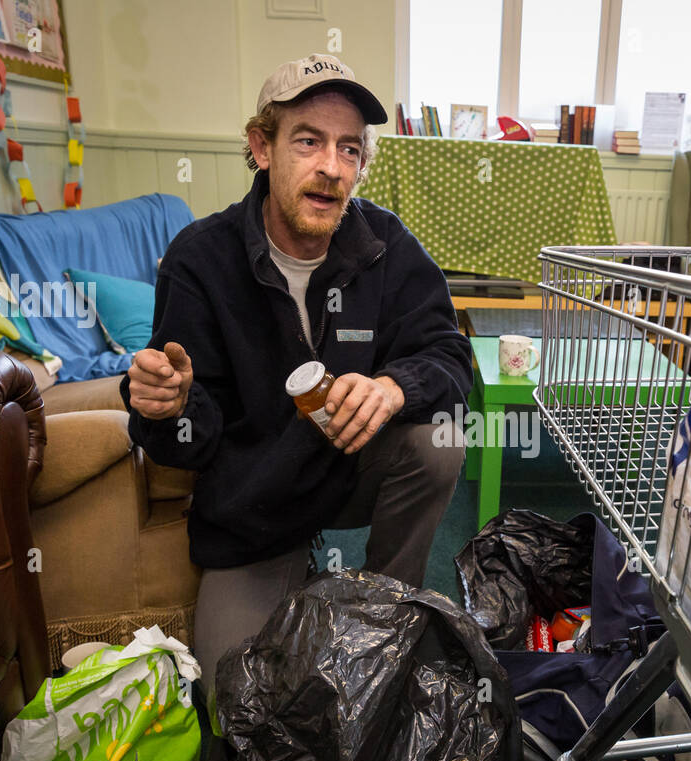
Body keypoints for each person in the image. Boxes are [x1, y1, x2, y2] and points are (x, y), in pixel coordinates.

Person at [120, 53, 471, 683]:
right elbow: (189, 444)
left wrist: (394, 387)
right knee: (234, 699)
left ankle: (388, 616)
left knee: (437, 438)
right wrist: (167, 406)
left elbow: (449, 355)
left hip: (350, 467)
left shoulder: (387, 244)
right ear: (261, 146)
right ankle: (296, 576)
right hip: (257, 502)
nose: (331, 168)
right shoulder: (201, 260)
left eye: (349, 149)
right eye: (308, 141)